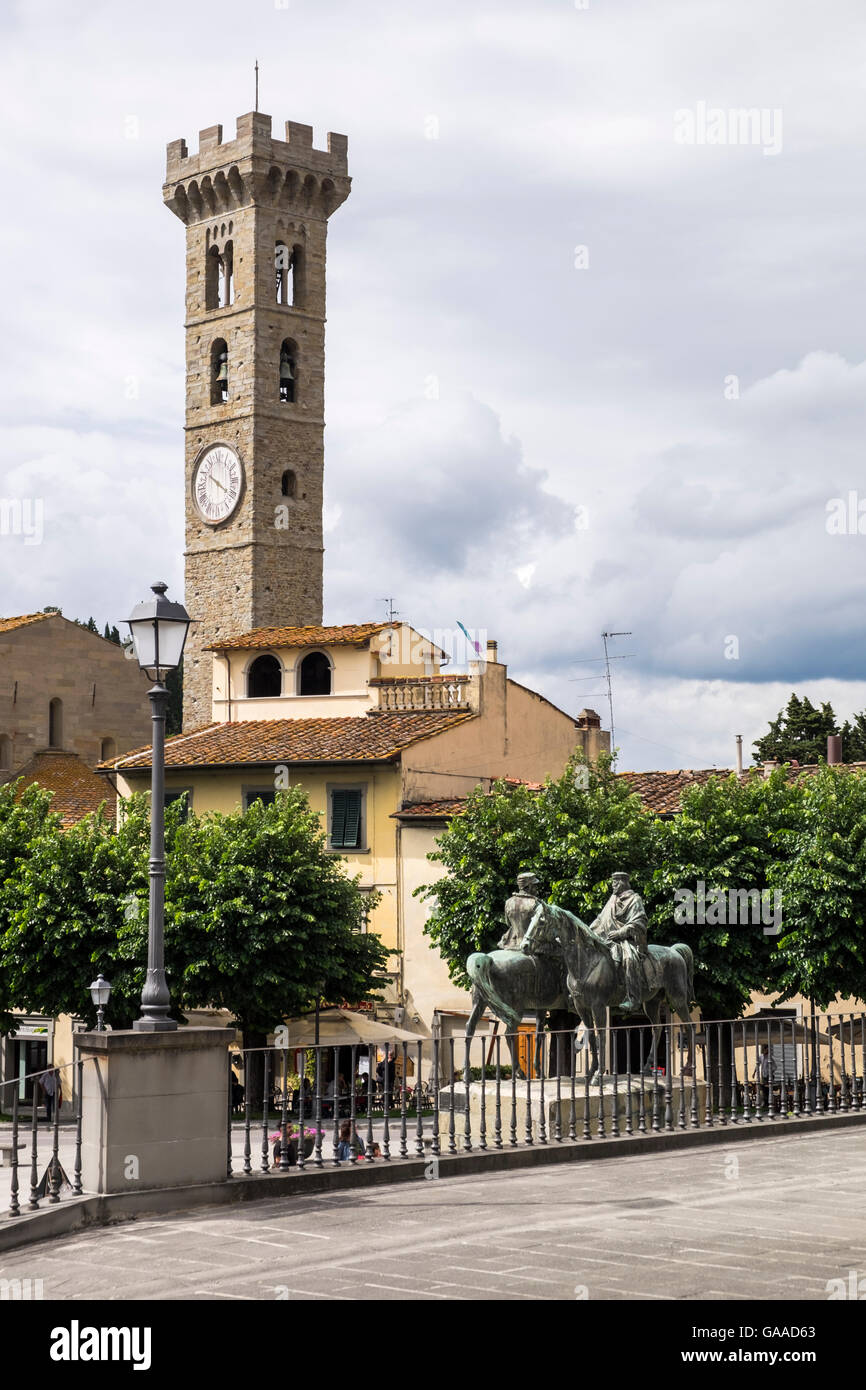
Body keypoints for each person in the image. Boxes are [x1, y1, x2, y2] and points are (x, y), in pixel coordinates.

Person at [590, 871, 649, 1012]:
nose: (613, 886)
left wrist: (620, 933)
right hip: (608, 940)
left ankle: (633, 998)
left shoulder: (635, 899)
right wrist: (587, 932)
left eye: (615, 883)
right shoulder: (612, 899)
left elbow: (639, 921)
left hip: (628, 941)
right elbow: (600, 919)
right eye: (612, 883)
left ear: (623, 882)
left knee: (629, 960)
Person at [753, 1044, 776, 1109]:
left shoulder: (770, 1058)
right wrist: (754, 1073)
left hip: (769, 1076)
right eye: (766, 1049)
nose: (767, 1050)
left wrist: (771, 1072)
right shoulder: (761, 1057)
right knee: (763, 1089)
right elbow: (757, 1064)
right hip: (763, 1076)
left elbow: (775, 1067)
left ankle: (769, 1103)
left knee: (768, 1090)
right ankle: (765, 1103)